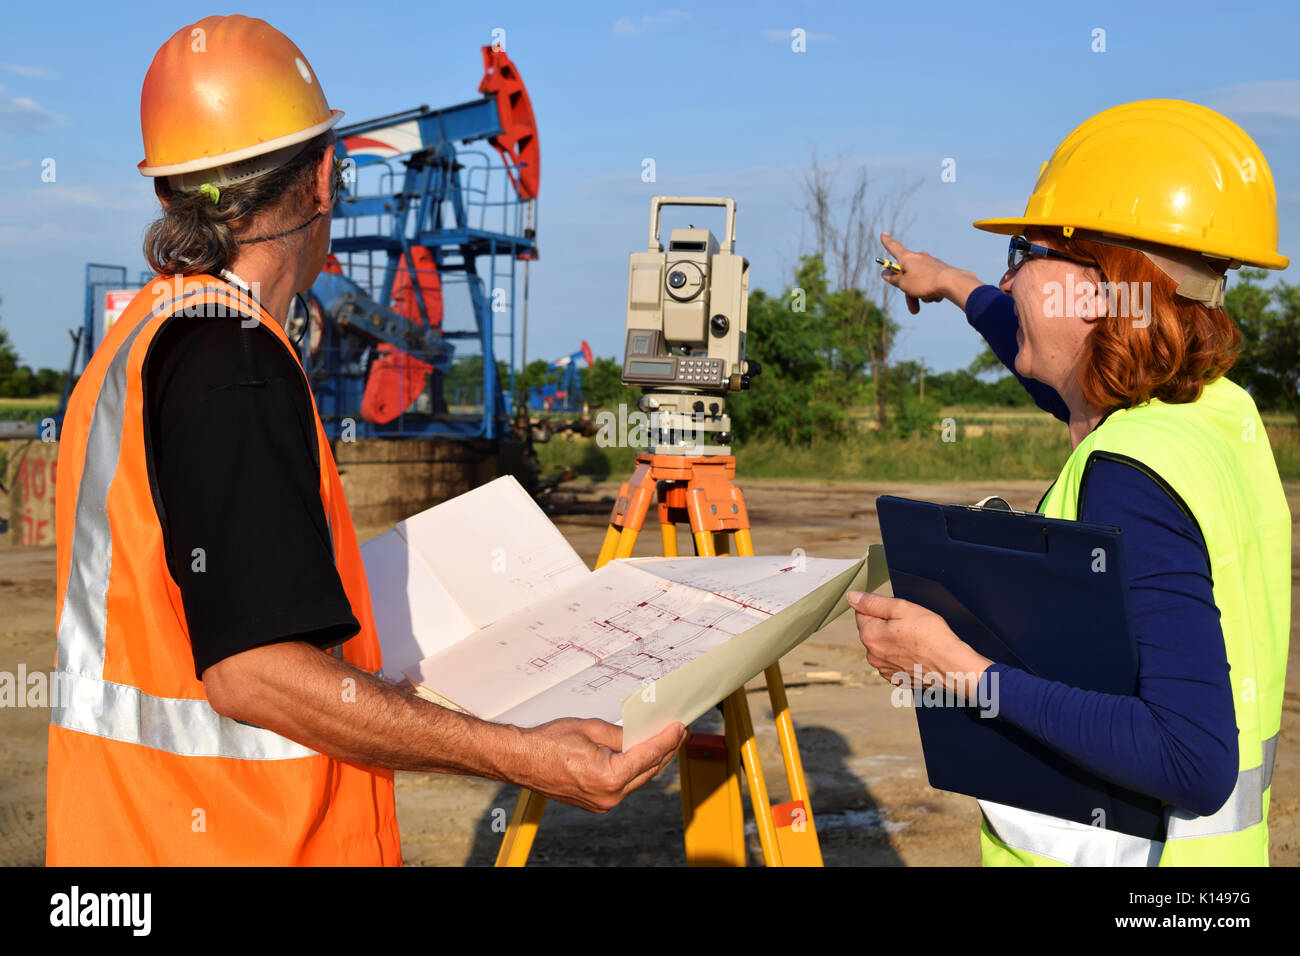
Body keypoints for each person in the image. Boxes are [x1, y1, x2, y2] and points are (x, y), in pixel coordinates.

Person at [47, 14, 684, 866]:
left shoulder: (137, 343)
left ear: (167, 192)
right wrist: (527, 753)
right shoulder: (235, 360)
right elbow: (254, 672)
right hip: (247, 842)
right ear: (323, 179)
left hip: (128, 844)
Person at [849, 99, 1290, 866]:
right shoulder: (1213, 413)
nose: (1006, 277)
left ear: (1097, 289)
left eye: (1024, 253)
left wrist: (954, 668)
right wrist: (950, 283)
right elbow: (1053, 363)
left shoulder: (1128, 476)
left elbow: (1192, 757)